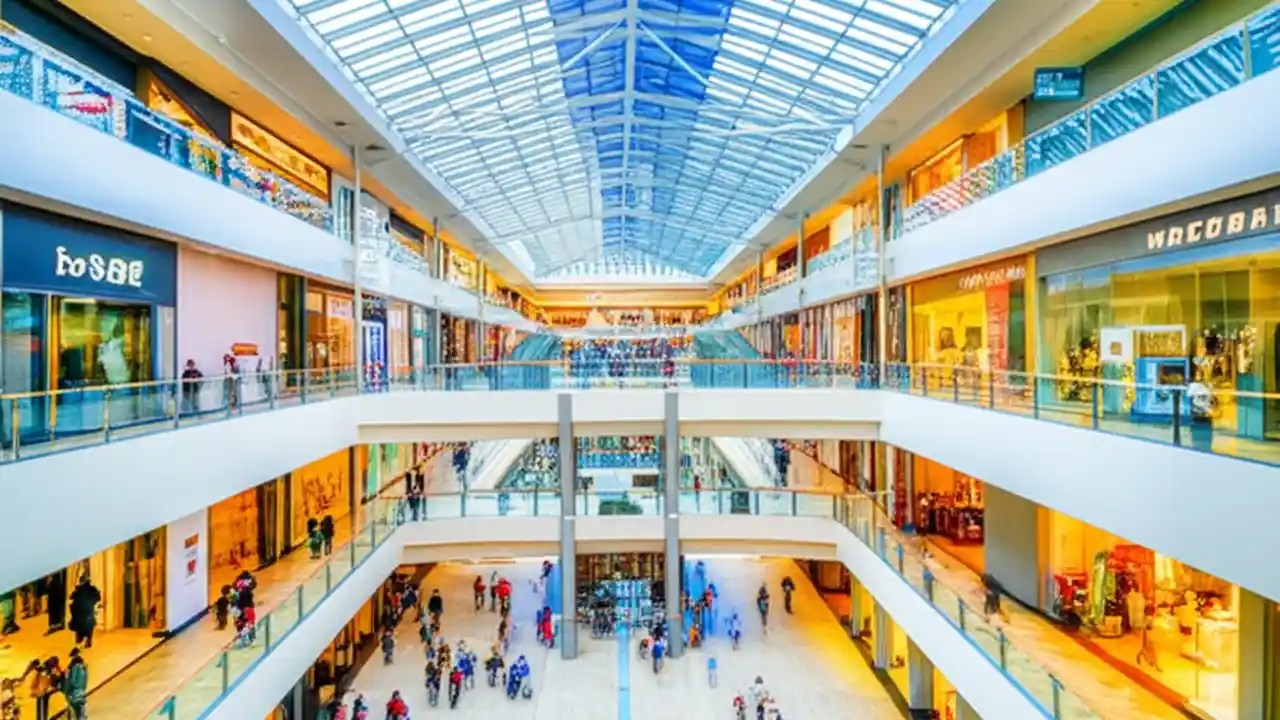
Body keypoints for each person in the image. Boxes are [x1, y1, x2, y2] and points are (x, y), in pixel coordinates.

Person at [68, 575, 101, 648]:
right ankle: (88, 640)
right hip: (88, 611)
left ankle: (80, 639)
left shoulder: (78, 589)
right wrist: (93, 602)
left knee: (79, 625)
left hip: (80, 612)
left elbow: (71, 598)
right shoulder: (92, 589)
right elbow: (98, 597)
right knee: (89, 626)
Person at [64, 649, 88, 720]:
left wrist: (67, 678)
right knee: (81, 708)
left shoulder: (74, 668)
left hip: (75, 692)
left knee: (74, 708)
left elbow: (73, 681)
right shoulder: (84, 668)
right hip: (82, 690)